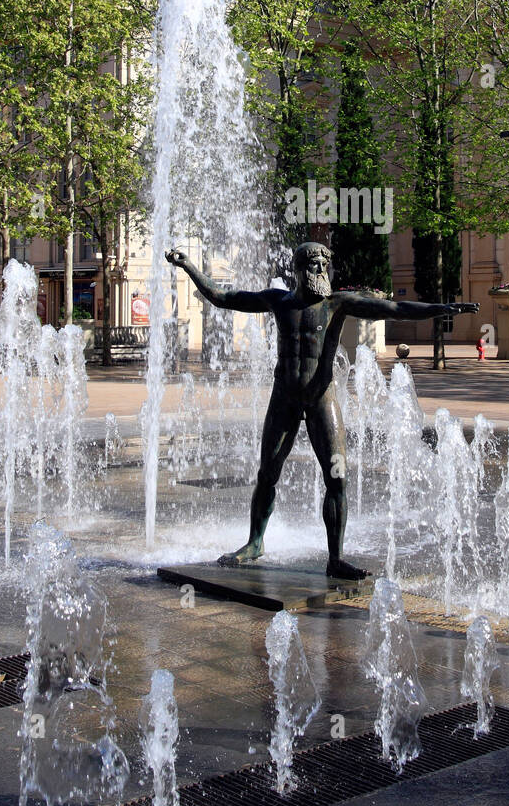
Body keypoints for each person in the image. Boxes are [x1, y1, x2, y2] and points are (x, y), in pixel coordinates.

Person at [166, 242, 478, 578]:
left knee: (337, 478)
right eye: (313, 265)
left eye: (324, 265)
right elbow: (224, 298)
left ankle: (335, 558)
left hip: (321, 399)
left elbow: (395, 307)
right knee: (267, 474)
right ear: (298, 269)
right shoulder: (278, 301)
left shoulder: (337, 304)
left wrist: (442, 308)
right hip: (284, 398)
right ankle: (255, 542)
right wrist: (190, 268)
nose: (320, 271)